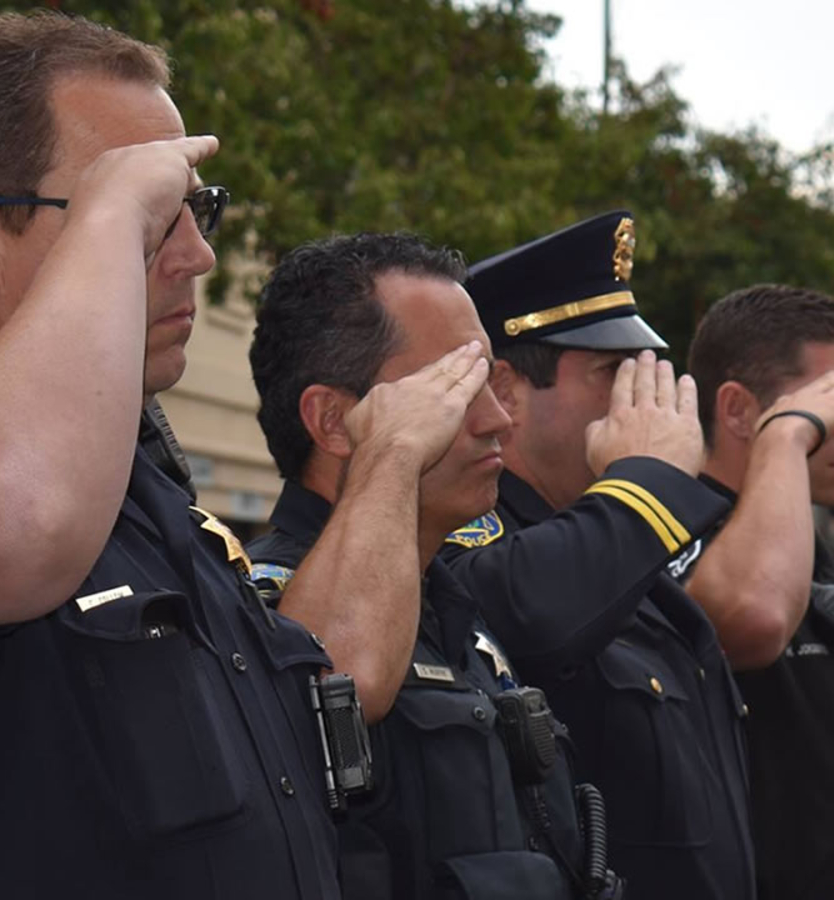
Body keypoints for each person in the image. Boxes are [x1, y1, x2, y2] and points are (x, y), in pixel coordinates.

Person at [0, 12, 343, 898]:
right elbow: (15, 521)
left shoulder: (154, 503)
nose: (198, 256)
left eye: (193, 209)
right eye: (147, 214)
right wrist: (110, 222)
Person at [245, 233, 605, 900]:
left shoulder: (456, 614)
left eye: (489, 382)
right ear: (332, 422)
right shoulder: (265, 609)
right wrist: (392, 457)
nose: (499, 419)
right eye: (453, 388)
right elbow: (319, 709)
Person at [439, 211, 753, 900]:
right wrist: (643, 485)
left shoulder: (616, 543)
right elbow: (520, 616)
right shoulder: (474, 537)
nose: (643, 398)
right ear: (505, 391)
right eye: (612, 373)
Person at [674, 283, 834, 899]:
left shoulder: (816, 547)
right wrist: (787, 439)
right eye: (833, 405)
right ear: (738, 410)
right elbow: (754, 617)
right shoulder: (680, 537)